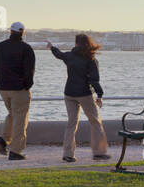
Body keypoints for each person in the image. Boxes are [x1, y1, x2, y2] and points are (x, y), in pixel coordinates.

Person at [47, 34, 111, 162]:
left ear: (76, 44)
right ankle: (98, 152)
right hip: (84, 93)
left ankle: (68, 154)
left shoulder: (69, 56)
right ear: (88, 44)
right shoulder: (90, 59)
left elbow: (59, 54)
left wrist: (52, 47)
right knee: (95, 122)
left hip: (69, 93)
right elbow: (94, 80)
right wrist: (100, 95)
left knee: (71, 123)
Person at [0, 22, 34, 160]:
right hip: (19, 89)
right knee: (20, 119)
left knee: (13, 114)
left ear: (10, 31)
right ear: (22, 33)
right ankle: (16, 151)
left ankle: (2, 140)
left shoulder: (0, 46)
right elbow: (29, 71)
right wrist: (26, 85)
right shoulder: (26, 48)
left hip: (3, 88)